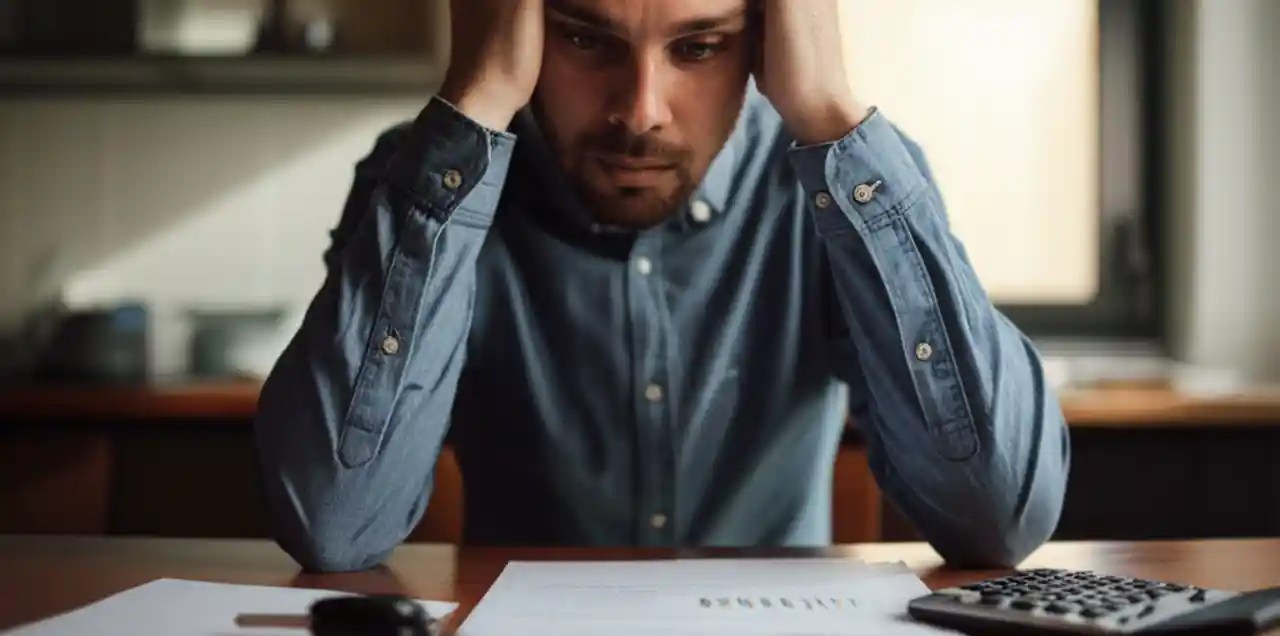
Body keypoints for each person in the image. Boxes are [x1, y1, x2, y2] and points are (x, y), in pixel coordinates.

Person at [254, 0, 1070, 573]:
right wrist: (475, 98)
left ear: (763, 39)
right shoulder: (427, 183)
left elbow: (997, 520)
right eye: (586, 39)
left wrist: (826, 106)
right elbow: (333, 526)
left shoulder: (841, 190)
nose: (641, 111)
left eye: (701, 46)